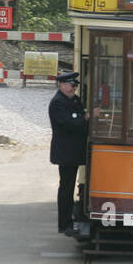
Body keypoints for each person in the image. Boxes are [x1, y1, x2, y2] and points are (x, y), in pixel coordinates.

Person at [49, 71, 93, 235]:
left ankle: (69, 220)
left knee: (68, 187)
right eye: (70, 85)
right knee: (66, 189)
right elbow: (70, 124)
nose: (73, 88)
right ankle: (64, 224)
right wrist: (87, 117)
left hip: (74, 152)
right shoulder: (58, 103)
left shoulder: (73, 100)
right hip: (66, 153)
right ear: (62, 85)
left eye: (74, 86)